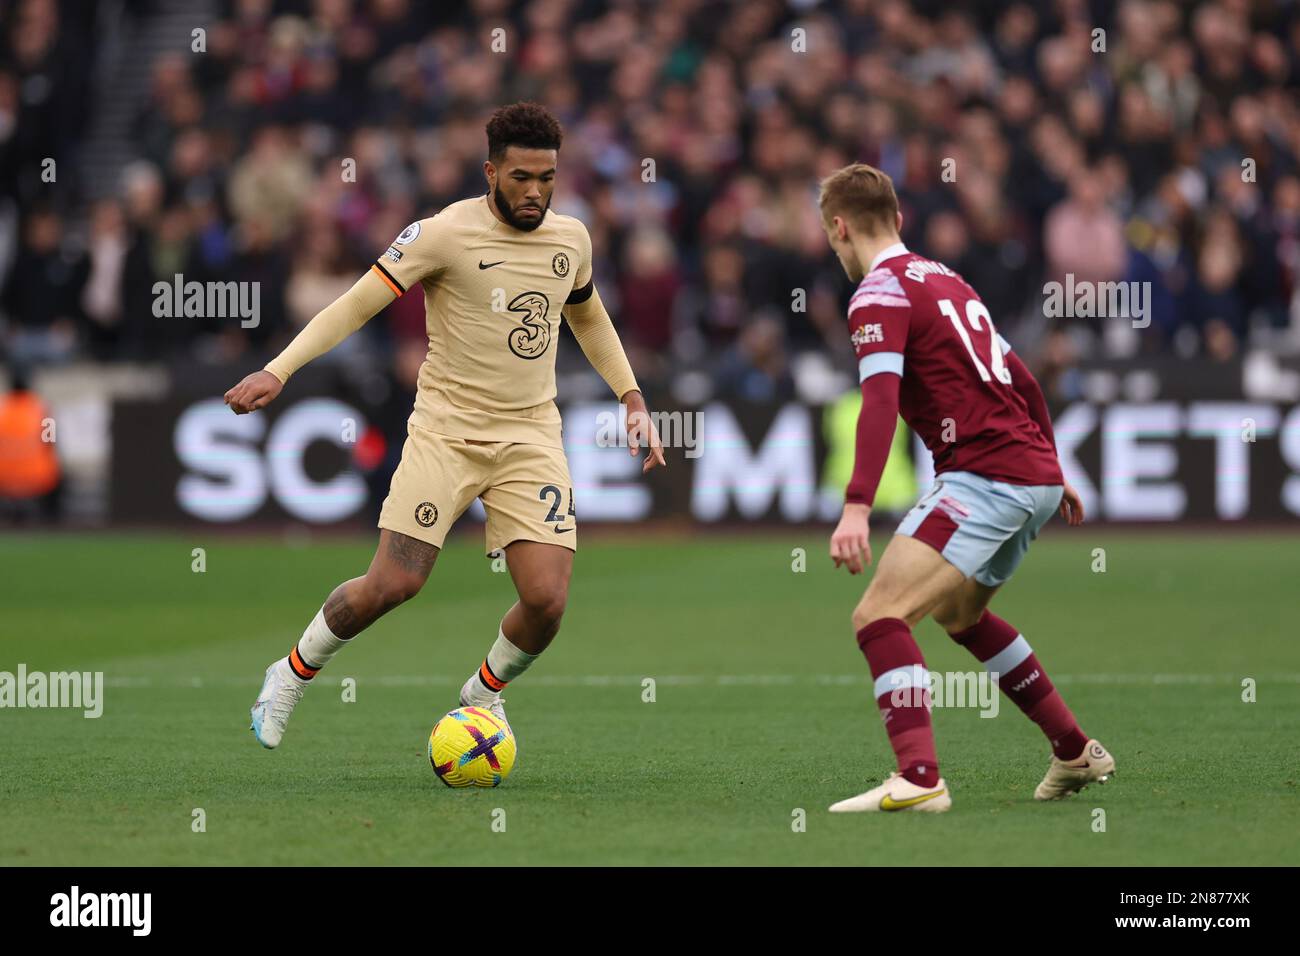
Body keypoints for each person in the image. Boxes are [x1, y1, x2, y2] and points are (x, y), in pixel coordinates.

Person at [223, 102, 665, 752]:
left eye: (546, 177)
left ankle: (484, 695)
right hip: (446, 432)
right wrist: (279, 369)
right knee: (393, 584)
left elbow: (589, 318)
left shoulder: (571, 239)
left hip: (530, 435)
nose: (535, 191)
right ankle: (291, 672)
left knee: (547, 601)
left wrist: (630, 395)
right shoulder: (441, 234)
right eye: (521, 177)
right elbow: (355, 304)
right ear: (490, 171)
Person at [818, 163, 1114, 813]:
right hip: (1028, 472)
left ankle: (920, 777)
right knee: (960, 615)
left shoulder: (878, 293)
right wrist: (1053, 468)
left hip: (987, 475)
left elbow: (879, 403)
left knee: (878, 615)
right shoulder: (948, 280)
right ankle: (1073, 749)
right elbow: (1023, 378)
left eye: (832, 236)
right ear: (897, 218)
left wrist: (856, 505)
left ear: (840, 228)